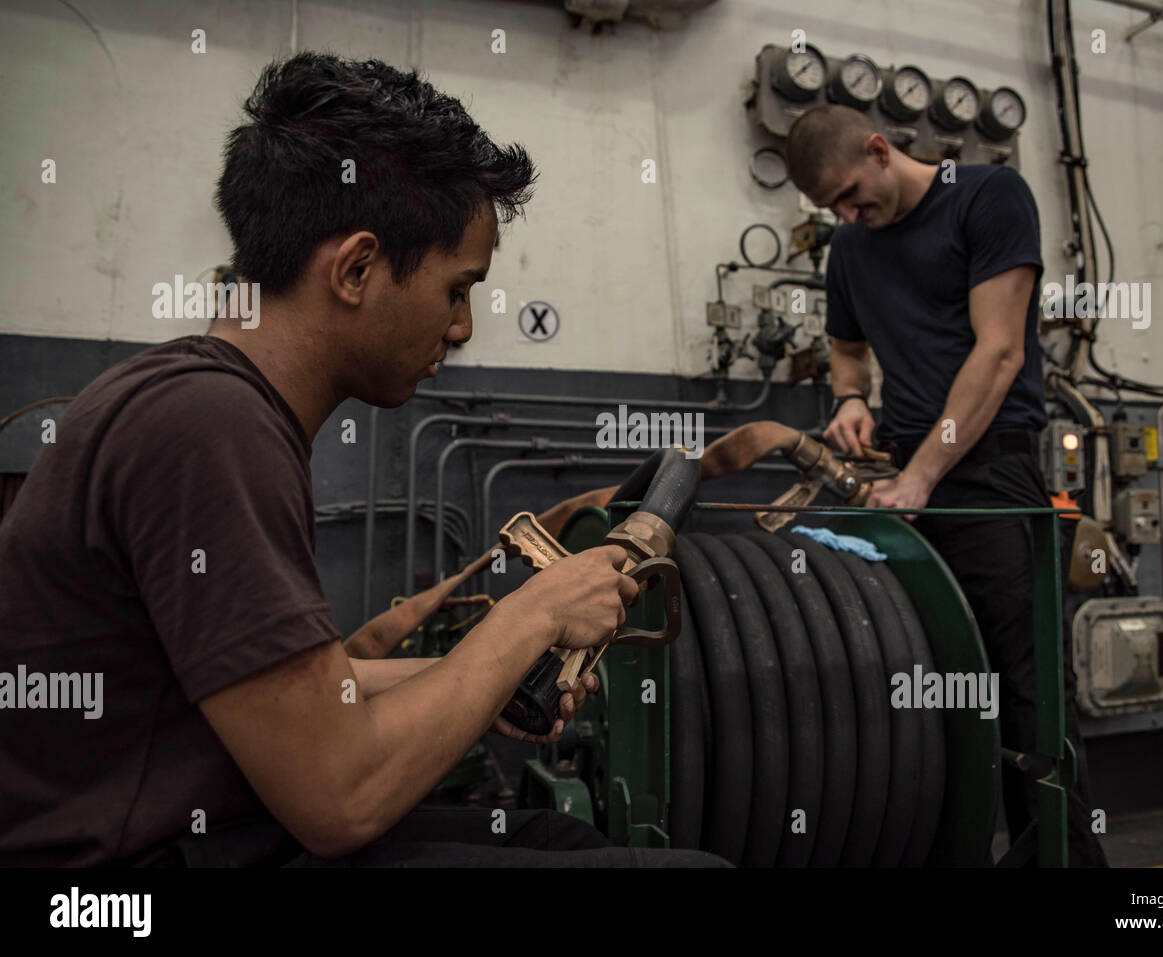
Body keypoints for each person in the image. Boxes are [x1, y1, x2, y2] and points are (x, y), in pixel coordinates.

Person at [0, 53, 723, 868]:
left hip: (201, 828)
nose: (463, 328)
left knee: (554, 838)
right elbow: (340, 799)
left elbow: (291, 696)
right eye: (457, 289)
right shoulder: (208, 425)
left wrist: (476, 683)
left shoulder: (196, 399)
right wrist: (538, 613)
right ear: (355, 269)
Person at [786, 104, 1107, 867]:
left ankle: (1059, 860)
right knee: (936, 687)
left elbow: (998, 354)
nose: (848, 214)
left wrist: (924, 475)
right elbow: (844, 347)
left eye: (852, 195)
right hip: (908, 476)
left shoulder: (989, 196)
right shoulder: (851, 248)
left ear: (880, 147)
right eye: (833, 208)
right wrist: (851, 398)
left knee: (1028, 693)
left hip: (989, 472)